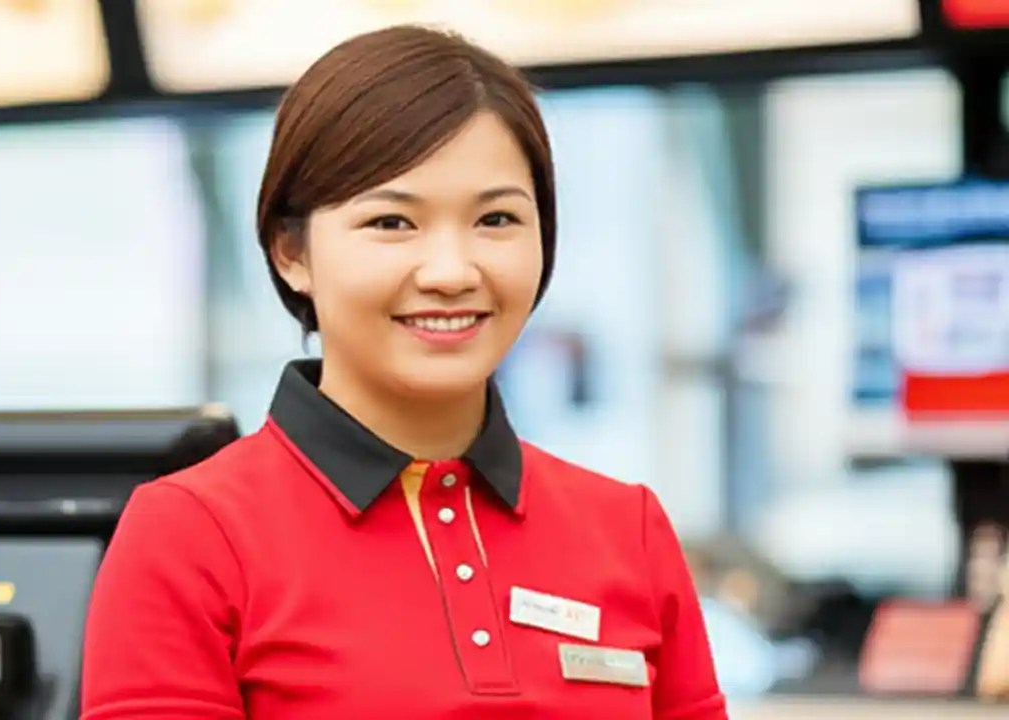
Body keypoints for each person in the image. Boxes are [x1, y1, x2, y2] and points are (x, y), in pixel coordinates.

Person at [80, 24, 727, 719]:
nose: (451, 272)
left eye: (498, 218)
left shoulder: (626, 528)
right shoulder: (190, 536)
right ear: (291, 250)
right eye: (392, 223)